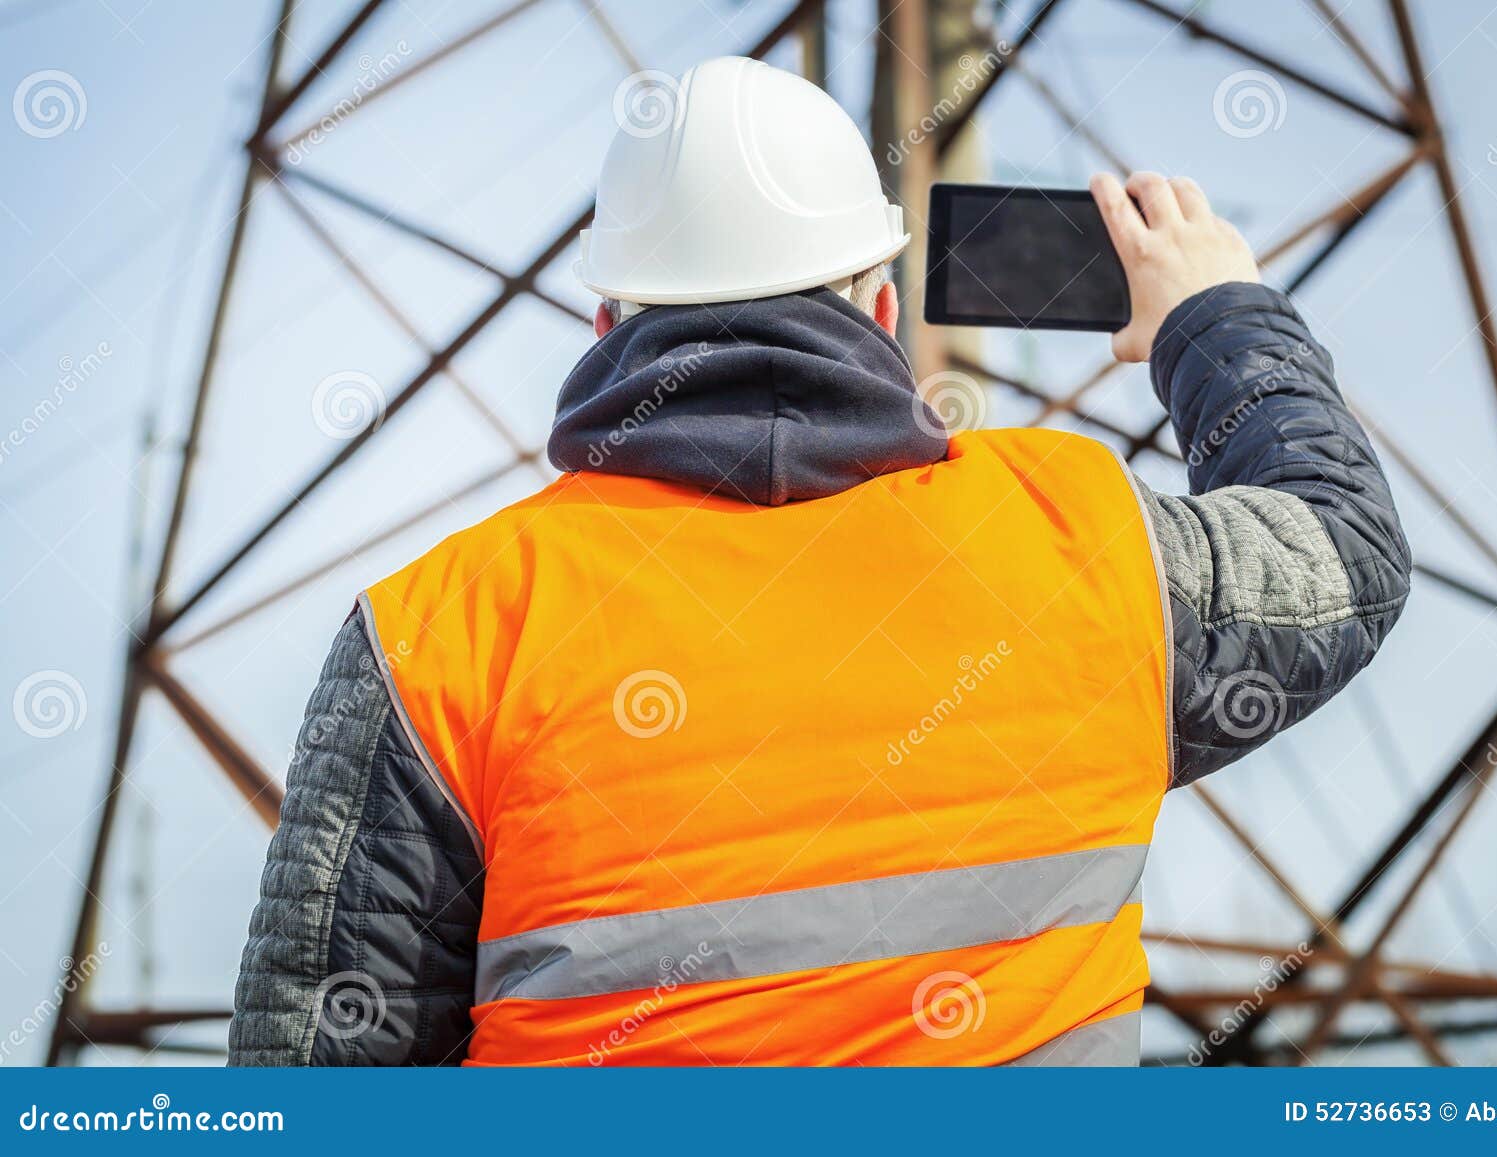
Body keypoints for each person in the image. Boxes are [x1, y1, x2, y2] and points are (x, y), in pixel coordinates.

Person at [230, 56, 1408, 1066]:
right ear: (883, 308)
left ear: (607, 327)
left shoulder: (440, 633)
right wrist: (1216, 316)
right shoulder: (1087, 542)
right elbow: (1341, 547)